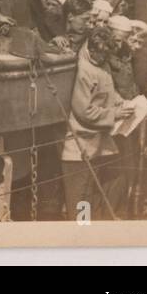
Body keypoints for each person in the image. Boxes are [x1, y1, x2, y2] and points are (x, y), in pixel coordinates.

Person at [61, 26, 130, 220]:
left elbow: (107, 88)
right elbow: (83, 111)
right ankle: (80, 235)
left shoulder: (101, 61)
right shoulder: (83, 70)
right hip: (79, 146)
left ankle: (93, 230)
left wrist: (118, 100)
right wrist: (114, 113)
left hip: (96, 143)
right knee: (80, 198)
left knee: (95, 191)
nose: (104, 60)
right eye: (101, 56)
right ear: (92, 50)